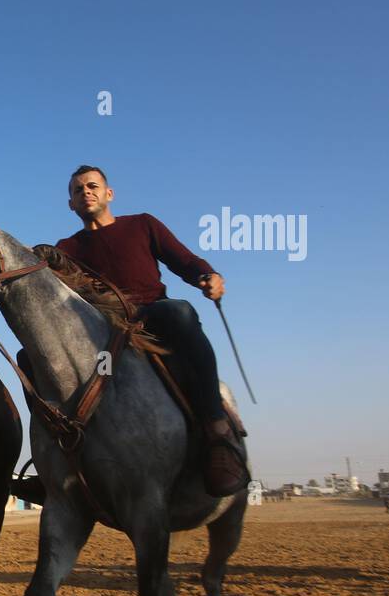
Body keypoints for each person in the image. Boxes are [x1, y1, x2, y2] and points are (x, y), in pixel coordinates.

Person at [46, 165, 247, 497]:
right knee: (31, 354)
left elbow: (183, 259)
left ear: (108, 194)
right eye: (78, 190)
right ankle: (56, 459)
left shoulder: (142, 224)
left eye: (93, 186)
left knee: (180, 311)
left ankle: (217, 431)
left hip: (153, 315)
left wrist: (207, 276)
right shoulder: (67, 248)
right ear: (71, 203)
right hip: (101, 330)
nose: (86, 192)